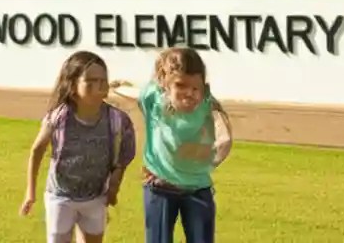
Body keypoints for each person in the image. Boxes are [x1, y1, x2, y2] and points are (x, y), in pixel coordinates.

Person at [111, 47, 233, 243]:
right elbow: (135, 93)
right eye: (181, 86)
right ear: (165, 85)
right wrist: (117, 87)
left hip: (198, 190)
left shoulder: (207, 105)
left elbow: (224, 138)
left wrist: (209, 160)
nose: (189, 94)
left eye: (196, 88)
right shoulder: (154, 98)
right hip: (159, 189)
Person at [21, 51, 136, 243]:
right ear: (73, 86)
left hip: (95, 197)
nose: (100, 84)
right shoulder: (59, 117)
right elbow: (37, 150)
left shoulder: (117, 119)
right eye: (91, 80)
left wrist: (115, 183)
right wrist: (30, 192)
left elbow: (126, 154)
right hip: (61, 197)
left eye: (103, 79)